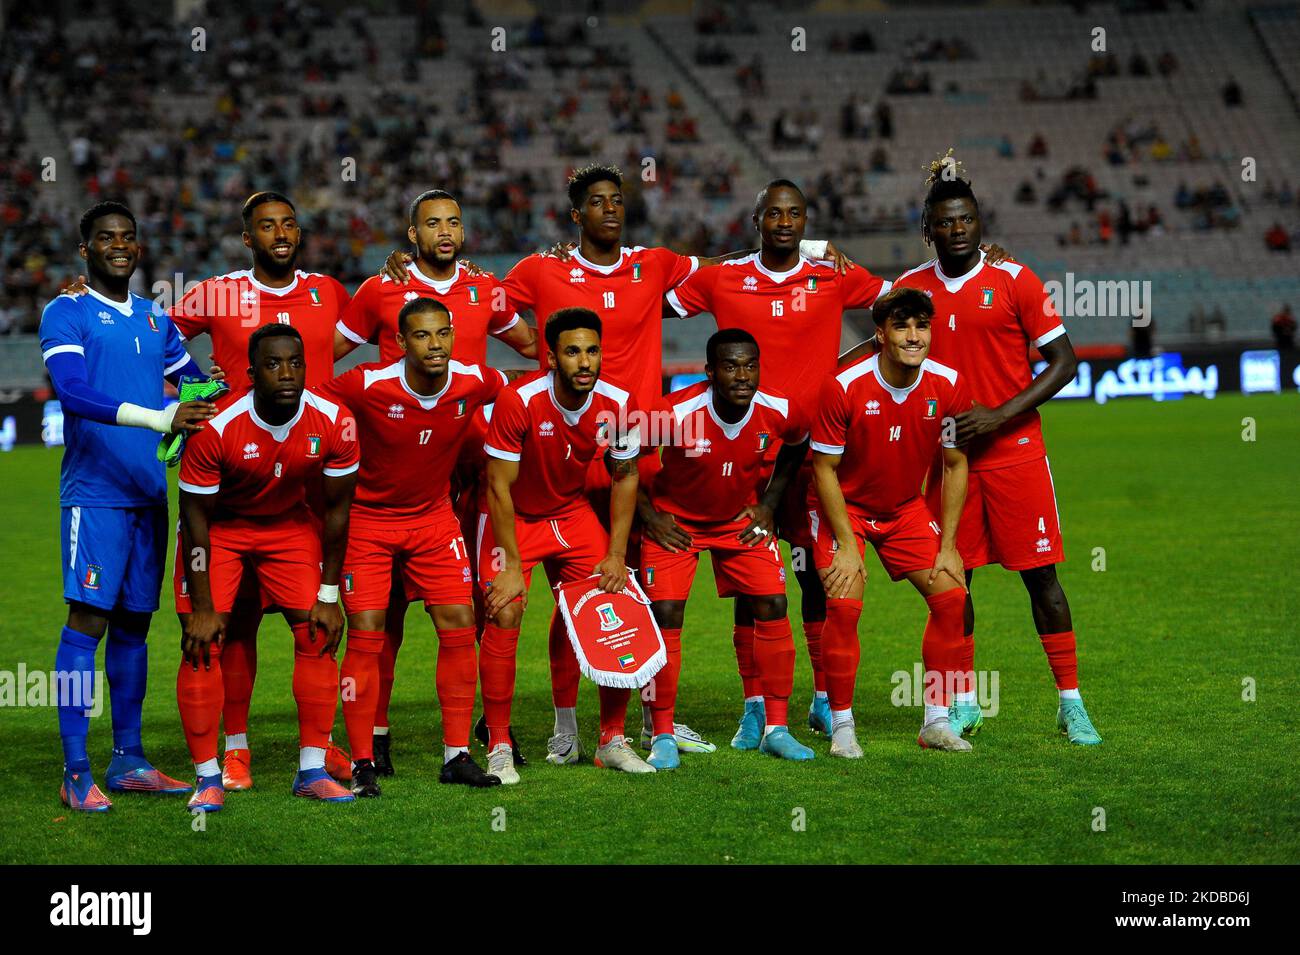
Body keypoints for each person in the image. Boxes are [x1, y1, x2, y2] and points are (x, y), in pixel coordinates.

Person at [664, 179, 890, 742]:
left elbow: (906, 301)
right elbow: (650, 299)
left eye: (796, 213)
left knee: (814, 573)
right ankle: (755, 705)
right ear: (757, 219)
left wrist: (856, 358)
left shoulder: (834, 274)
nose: (785, 222)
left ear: (806, 221)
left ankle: (818, 698)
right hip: (746, 453)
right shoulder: (725, 278)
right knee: (755, 584)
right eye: (774, 213)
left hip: (815, 452)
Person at [891, 153, 1101, 745]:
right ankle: (959, 705)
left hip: (1016, 456)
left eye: (967, 220)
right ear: (928, 229)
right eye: (945, 222)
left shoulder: (1015, 279)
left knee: (1043, 580)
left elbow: (1065, 363)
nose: (957, 230)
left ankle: (1071, 702)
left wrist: (1000, 415)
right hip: (944, 462)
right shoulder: (910, 291)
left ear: (980, 223)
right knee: (952, 583)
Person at [337, 188, 537, 775]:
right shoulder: (380, 289)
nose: (445, 231)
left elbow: (530, 349)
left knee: (475, 608)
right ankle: (375, 737)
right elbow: (327, 361)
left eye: (454, 221)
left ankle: (483, 734)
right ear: (411, 234)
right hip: (391, 474)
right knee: (383, 618)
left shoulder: (484, 290)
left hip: (468, 472)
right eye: (432, 223)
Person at [39, 200, 215, 812]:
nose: (120, 245)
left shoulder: (154, 318)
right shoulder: (65, 311)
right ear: (85, 250)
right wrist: (159, 415)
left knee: (136, 625)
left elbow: (195, 382)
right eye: (106, 238)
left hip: (148, 491)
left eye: (129, 237)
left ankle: (130, 759)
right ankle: (76, 768)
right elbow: (73, 393)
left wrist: (230, 394)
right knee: (87, 620)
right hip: (95, 494)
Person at [315, 297, 505, 793]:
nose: (435, 344)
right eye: (421, 336)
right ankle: (363, 762)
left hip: (433, 520)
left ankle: (457, 754)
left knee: (461, 623)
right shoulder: (366, 383)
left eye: (442, 333)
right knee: (368, 633)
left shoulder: (473, 380)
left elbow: (520, 393)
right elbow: (311, 401)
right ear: (400, 342)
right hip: (368, 522)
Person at [175, 324, 359, 811]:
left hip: (286, 526)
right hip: (219, 531)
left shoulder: (334, 422)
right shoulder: (216, 427)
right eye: (274, 365)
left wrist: (328, 594)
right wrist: (204, 606)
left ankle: (312, 769)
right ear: (252, 374)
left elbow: (337, 513)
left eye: (296, 363)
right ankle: (207, 777)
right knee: (203, 642)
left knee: (318, 633)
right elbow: (193, 517)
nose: (287, 373)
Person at [477, 308, 649, 782]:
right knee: (507, 608)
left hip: (569, 514)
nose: (585, 361)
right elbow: (498, 487)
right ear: (551, 358)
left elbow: (625, 476)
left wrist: (616, 554)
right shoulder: (520, 401)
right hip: (512, 516)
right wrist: (511, 564)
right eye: (572, 351)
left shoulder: (618, 401)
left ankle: (606, 738)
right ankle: (498, 743)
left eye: (592, 350)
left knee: (612, 600)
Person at [639, 329, 814, 765]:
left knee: (774, 604)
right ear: (710, 371)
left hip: (738, 521)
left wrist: (770, 503)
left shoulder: (777, 409)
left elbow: (797, 443)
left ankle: (775, 728)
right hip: (676, 523)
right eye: (732, 366)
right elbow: (618, 456)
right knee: (665, 615)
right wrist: (652, 516)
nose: (743, 375)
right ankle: (661, 733)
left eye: (751, 365)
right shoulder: (676, 410)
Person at [811, 288, 972, 755]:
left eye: (922, 326)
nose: (914, 336)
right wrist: (845, 541)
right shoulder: (844, 386)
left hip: (904, 509)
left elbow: (956, 463)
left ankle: (936, 723)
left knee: (951, 599)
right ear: (880, 334)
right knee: (844, 605)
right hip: (846, 507)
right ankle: (842, 727)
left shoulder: (947, 385)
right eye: (902, 326)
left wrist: (949, 545)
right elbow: (824, 469)